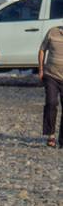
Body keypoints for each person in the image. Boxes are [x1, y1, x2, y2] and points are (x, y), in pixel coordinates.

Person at [37, 18, 63, 148]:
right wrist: (41, 69)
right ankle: (51, 135)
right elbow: (42, 50)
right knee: (51, 103)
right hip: (51, 75)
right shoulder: (53, 32)